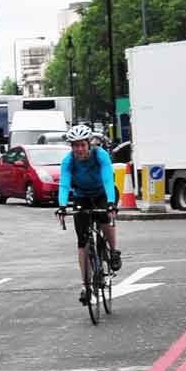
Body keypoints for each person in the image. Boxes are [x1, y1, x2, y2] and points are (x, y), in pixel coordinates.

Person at [56, 123, 122, 305]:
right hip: (82, 196)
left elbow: (109, 179)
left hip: (103, 193)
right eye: (75, 145)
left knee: (104, 219)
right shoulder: (68, 161)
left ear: (89, 144)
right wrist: (62, 206)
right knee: (82, 241)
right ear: (71, 147)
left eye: (82, 144)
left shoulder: (100, 155)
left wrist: (110, 204)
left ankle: (114, 252)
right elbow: (64, 185)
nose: (79, 149)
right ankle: (86, 285)